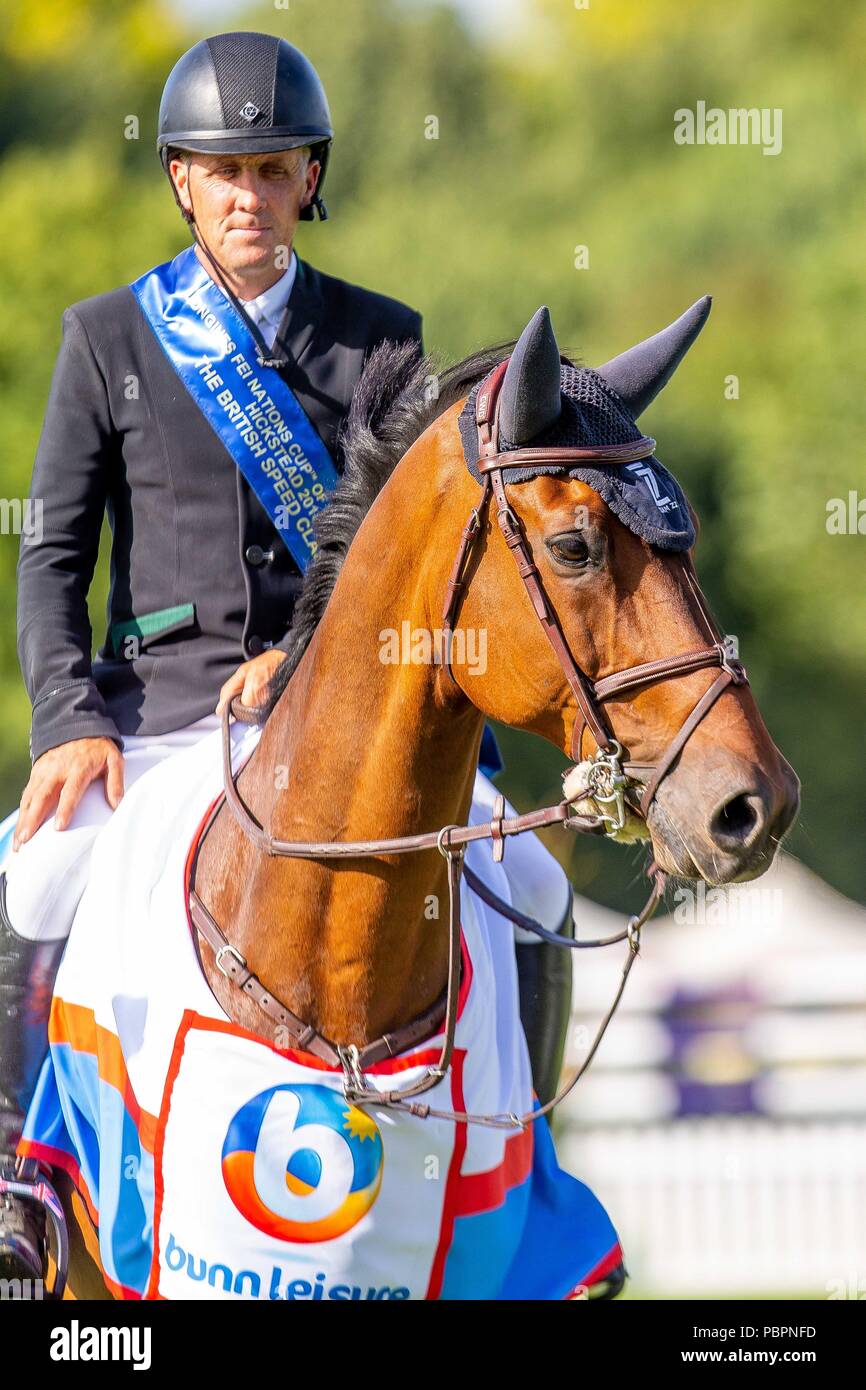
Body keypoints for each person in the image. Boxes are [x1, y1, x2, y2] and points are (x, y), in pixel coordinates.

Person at [0, 31, 573, 1282]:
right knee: (33, 879)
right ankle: (19, 1181)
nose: (247, 195)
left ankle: (525, 1171)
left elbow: (411, 552)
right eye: (223, 172)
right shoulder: (107, 339)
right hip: (159, 718)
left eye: (271, 169)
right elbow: (51, 561)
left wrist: (311, 651)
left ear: (309, 176)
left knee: (536, 889)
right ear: (181, 182)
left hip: (351, 721)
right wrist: (66, 723)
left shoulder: (381, 340)